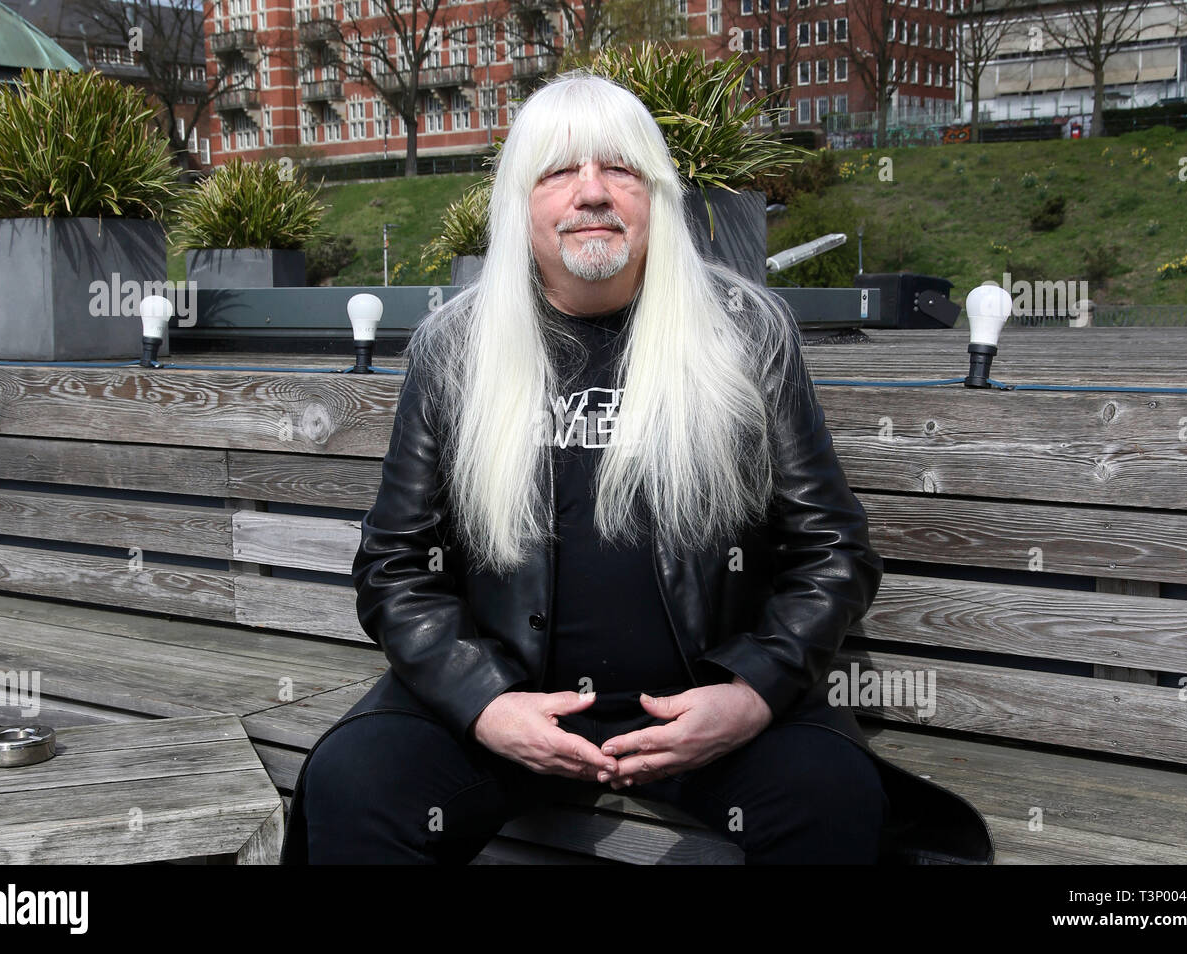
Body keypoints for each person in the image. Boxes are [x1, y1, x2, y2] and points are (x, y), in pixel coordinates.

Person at [281, 71, 995, 865]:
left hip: (704, 712)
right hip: (510, 704)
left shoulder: (744, 332)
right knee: (354, 786)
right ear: (521, 203)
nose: (591, 193)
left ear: (657, 196)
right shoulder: (455, 348)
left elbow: (834, 551)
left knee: (832, 801)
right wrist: (484, 703)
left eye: (619, 169)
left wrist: (753, 690)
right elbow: (393, 566)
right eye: (559, 171)